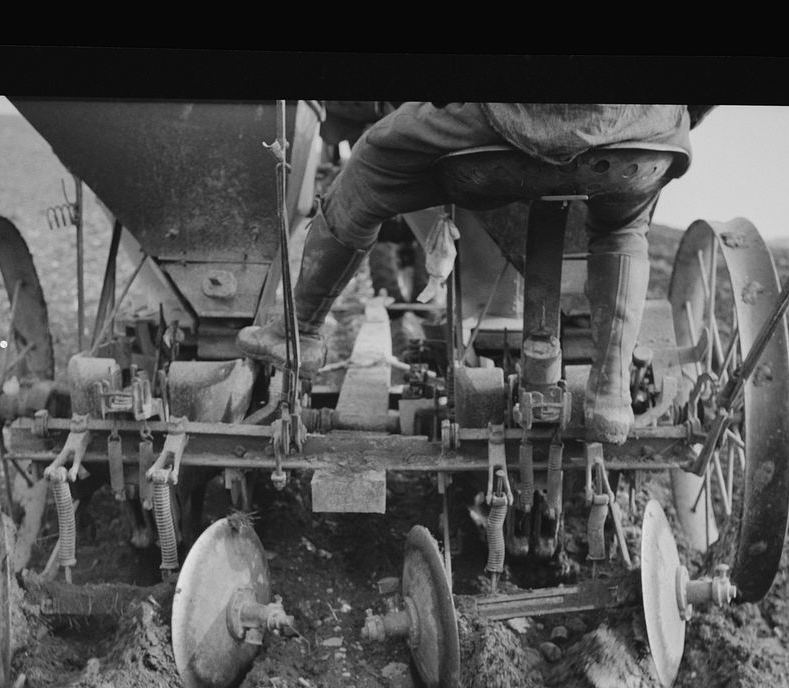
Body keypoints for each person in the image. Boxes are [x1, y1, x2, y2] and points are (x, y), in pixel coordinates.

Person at [237, 103, 714, 444]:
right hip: (645, 141)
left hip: (514, 128)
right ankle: (610, 397)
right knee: (623, 230)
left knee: (369, 163)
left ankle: (300, 330)